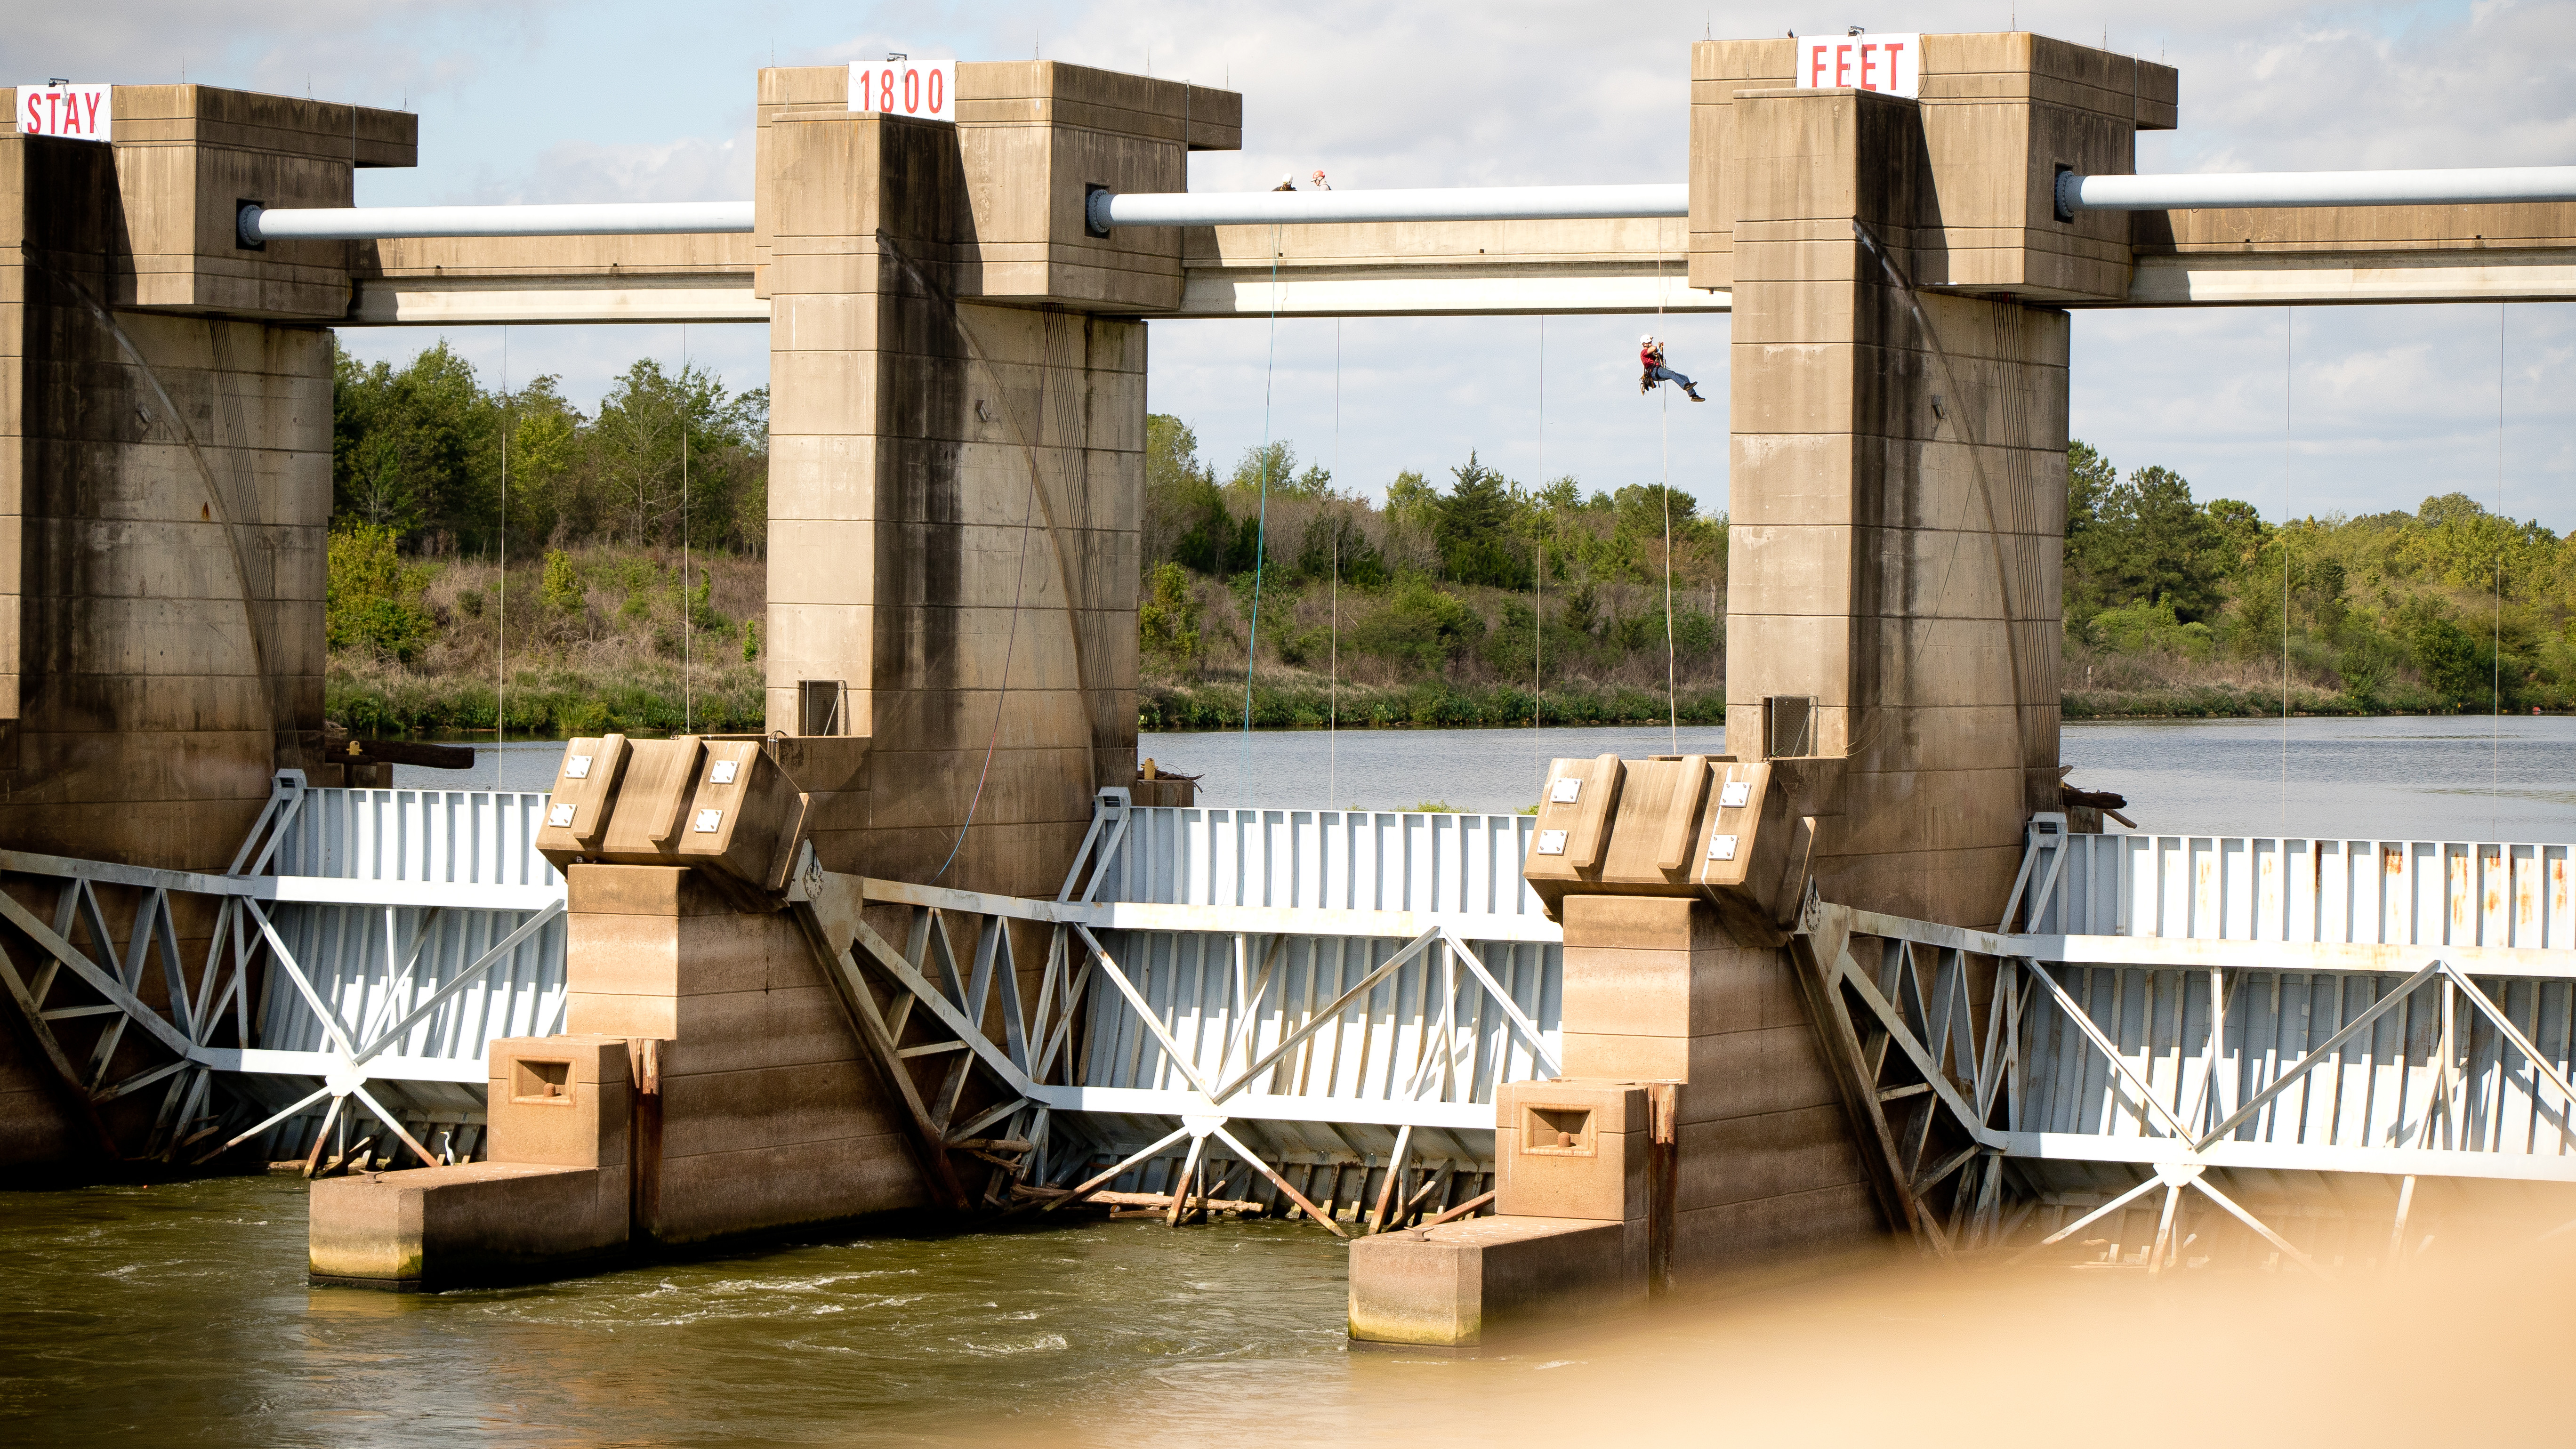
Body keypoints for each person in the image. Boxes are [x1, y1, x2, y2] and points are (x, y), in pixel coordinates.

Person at [1639, 334, 1706, 402]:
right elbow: (1653, 349)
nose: (1651, 343)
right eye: (1649, 343)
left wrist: (1660, 350)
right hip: (1654, 371)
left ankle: (1693, 396)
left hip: (1659, 370)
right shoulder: (1643, 352)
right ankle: (1685, 385)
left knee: (1684, 376)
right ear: (1644, 344)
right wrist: (1657, 348)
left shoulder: (1652, 353)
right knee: (1671, 374)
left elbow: (1658, 355)